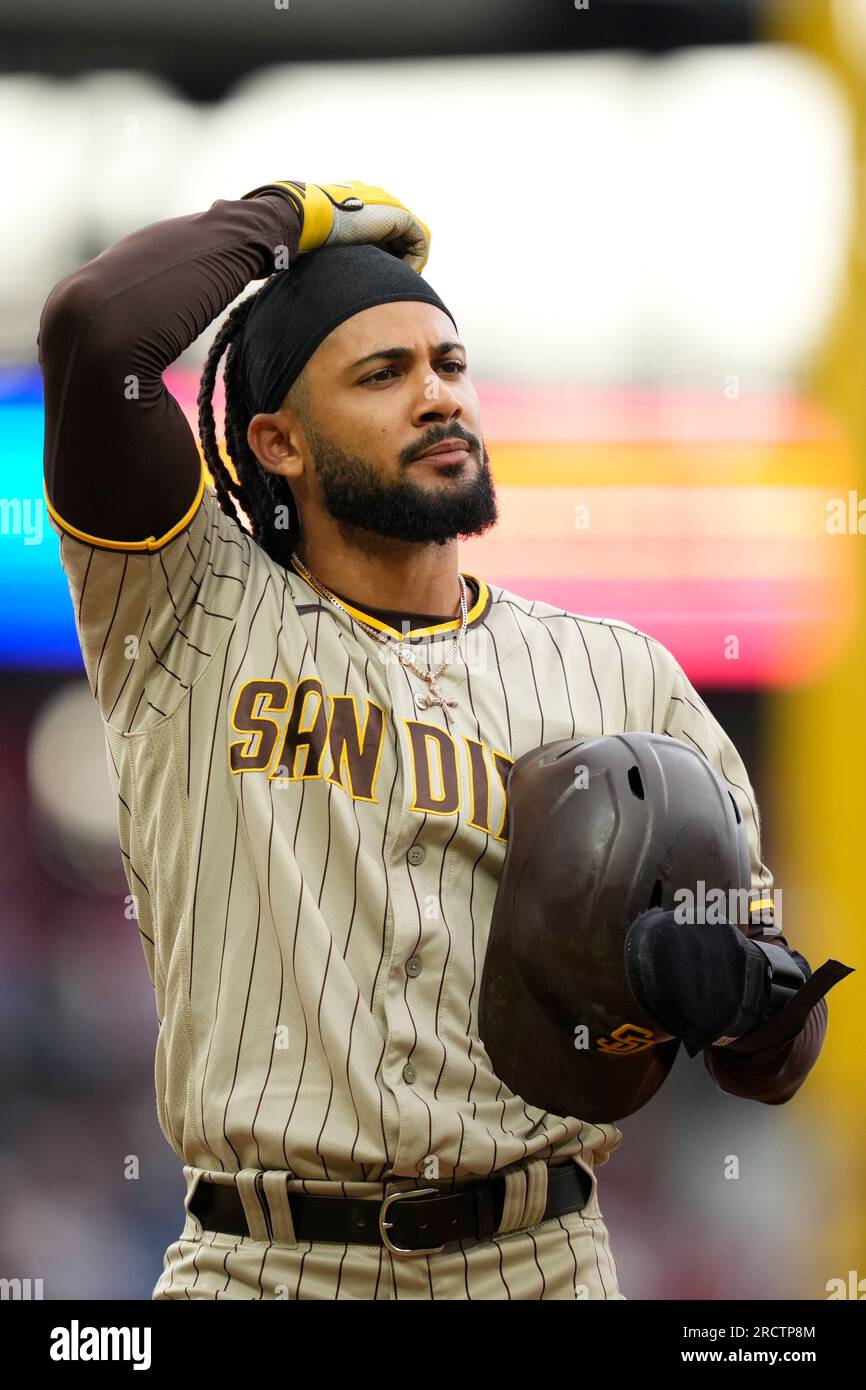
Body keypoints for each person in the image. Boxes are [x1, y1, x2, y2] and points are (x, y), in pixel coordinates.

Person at [38, 180, 827, 1300]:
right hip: (262, 1265)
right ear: (278, 443)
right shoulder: (188, 607)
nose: (436, 396)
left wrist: (732, 990)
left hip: (538, 1262)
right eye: (383, 374)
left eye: (448, 365)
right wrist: (291, 214)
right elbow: (100, 329)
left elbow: (781, 1057)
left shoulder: (620, 676)